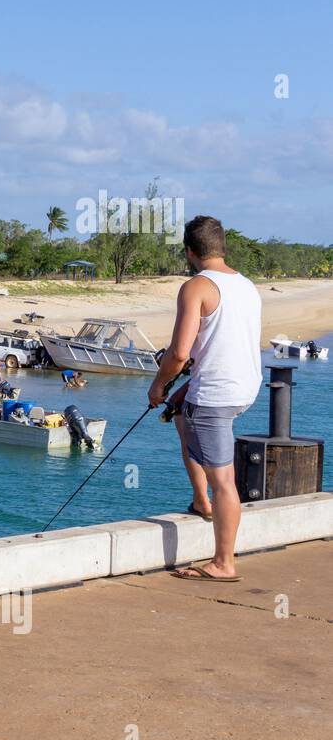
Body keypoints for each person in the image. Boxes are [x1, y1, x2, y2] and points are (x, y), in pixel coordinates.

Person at [147, 216, 261, 583]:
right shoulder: (246, 286)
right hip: (244, 388)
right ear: (222, 247)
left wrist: (157, 387)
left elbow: (180, 353)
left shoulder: (196, 286)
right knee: (181, 413)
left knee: (224, 481)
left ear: (190, 251)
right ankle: (201, 501)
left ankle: (223, 563)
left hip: (216, 395)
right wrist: (178, 391)